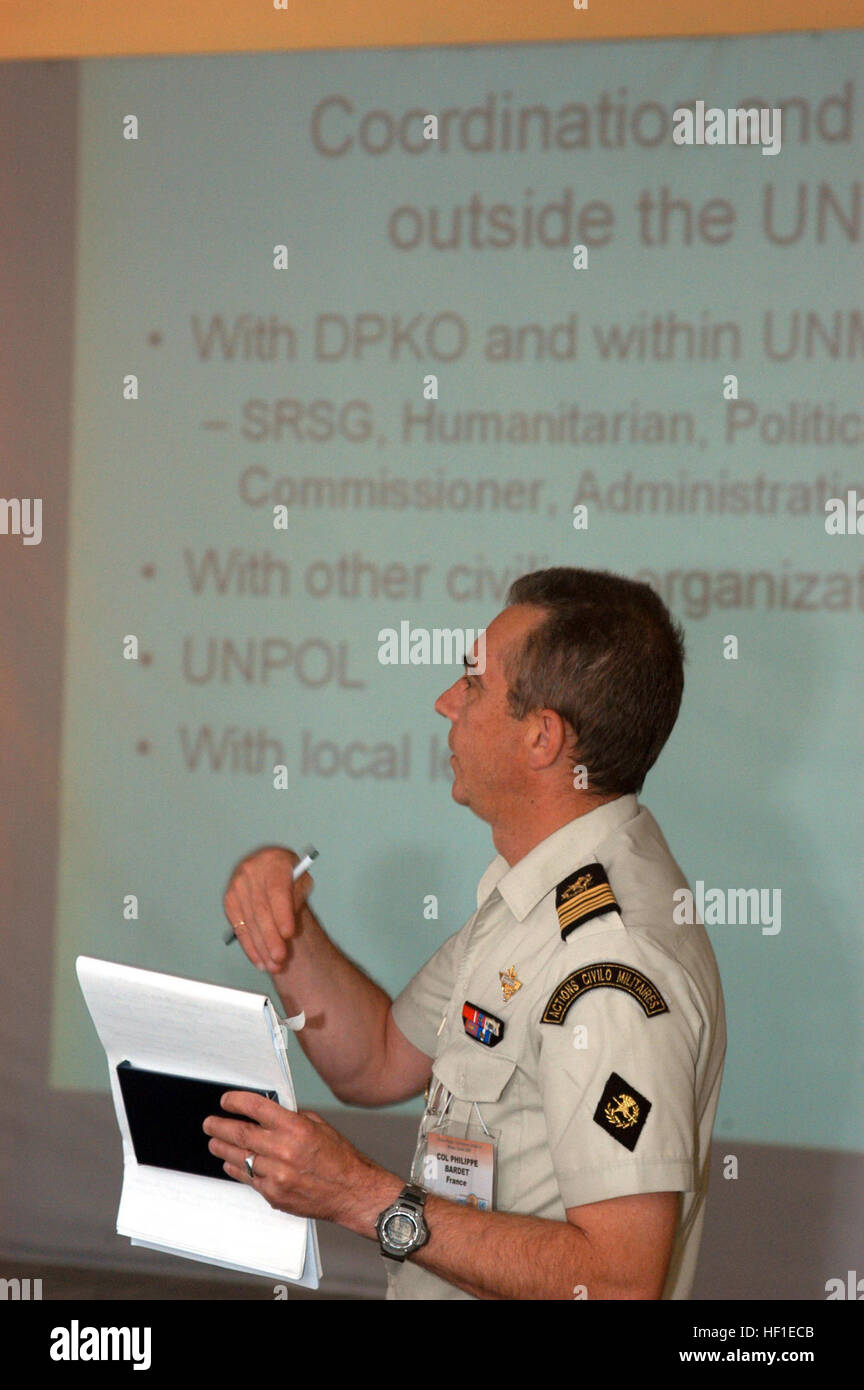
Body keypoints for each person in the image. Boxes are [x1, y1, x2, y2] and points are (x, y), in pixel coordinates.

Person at [203, 567, 726, 1300]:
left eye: (472, 684)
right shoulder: (536, 896)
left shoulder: (609, 954)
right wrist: (285, 928)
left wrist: (360, 1196)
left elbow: (616, 1284)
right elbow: (378, 1060)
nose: (446, 701)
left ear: (542, 737)